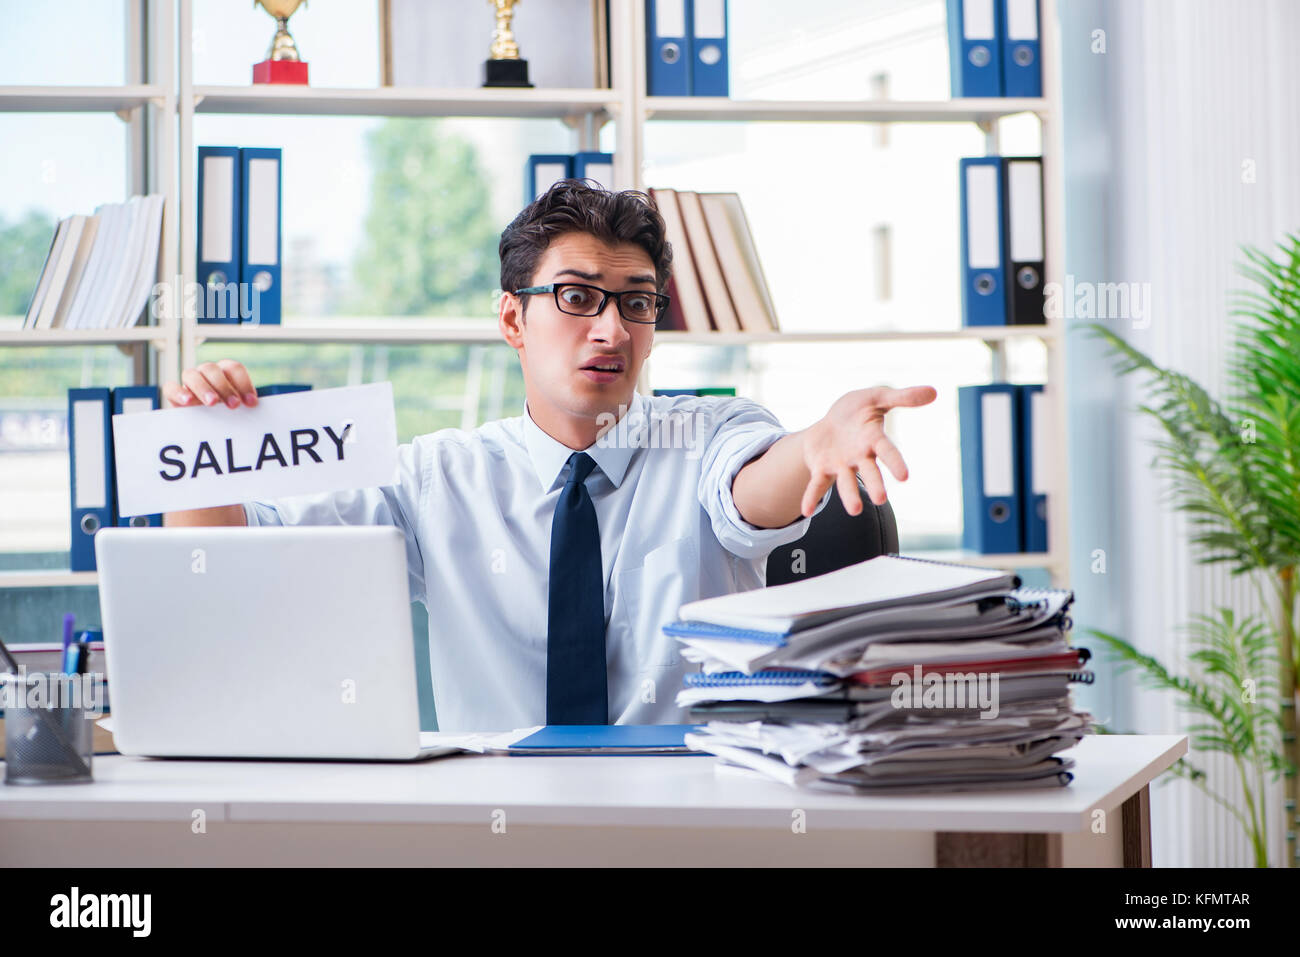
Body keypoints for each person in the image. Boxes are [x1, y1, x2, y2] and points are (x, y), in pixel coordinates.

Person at [163, 180, 936, 730]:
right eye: (576, 296)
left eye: (637, 302)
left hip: (693, 816)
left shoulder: (706, 433)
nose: (610, 330)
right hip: (501, 830)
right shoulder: (438, 478)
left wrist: (816, 445)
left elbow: (751, 491)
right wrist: (202, 448)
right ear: (511, 319)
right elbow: (233, 572)